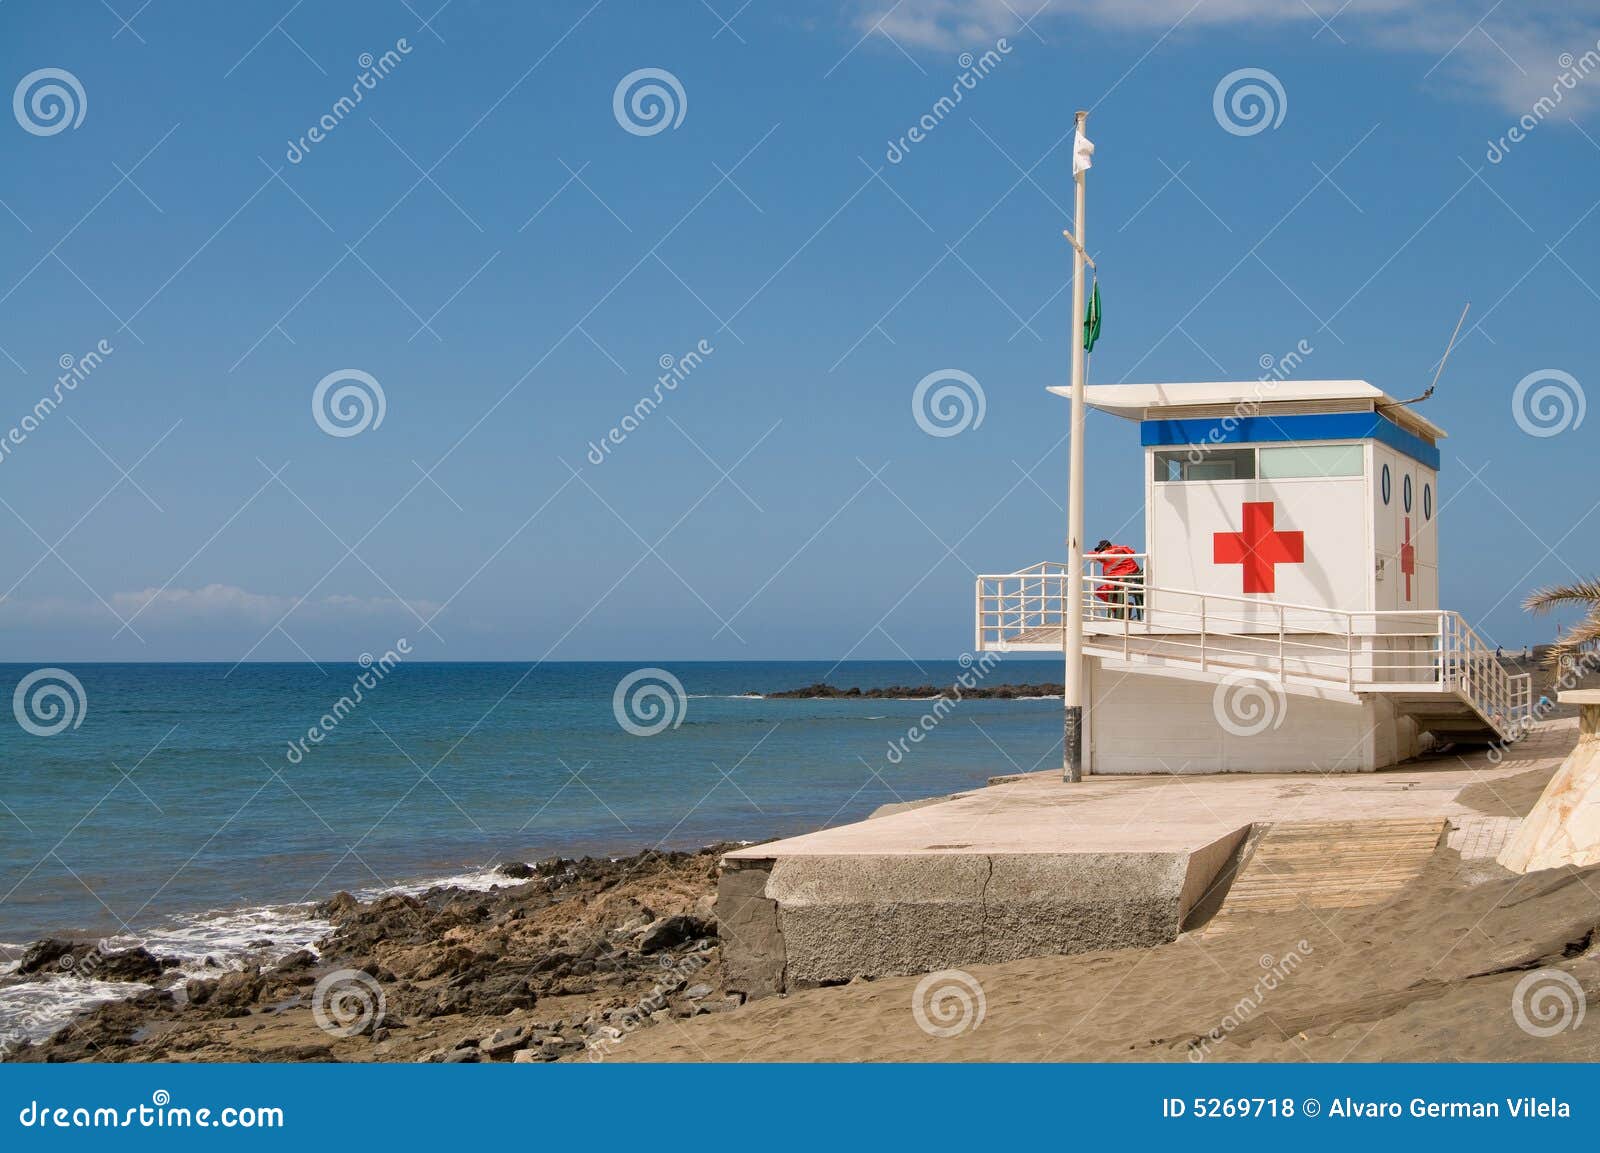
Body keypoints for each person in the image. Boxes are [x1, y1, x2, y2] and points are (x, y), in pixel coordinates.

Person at [1092, 538, 1143, 621]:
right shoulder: (1119, 551)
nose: (1100, 552)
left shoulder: (1112, 552)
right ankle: (1124, 608)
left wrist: (1095, 554)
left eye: (1102, 549)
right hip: (1126, 579)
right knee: (1101, 592)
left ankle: (1123, 609)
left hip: (1127, 580)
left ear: (1108, 547)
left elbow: (1098, 555)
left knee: (1102, 591)